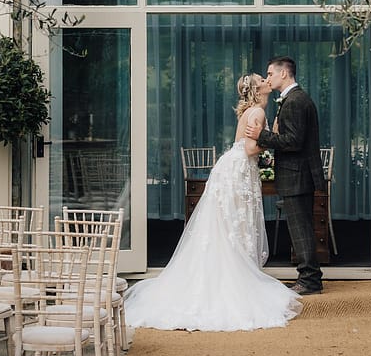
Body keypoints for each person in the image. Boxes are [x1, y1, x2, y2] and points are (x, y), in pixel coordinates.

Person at [124, 73, 302, 332]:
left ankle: (230, 276)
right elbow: (251, 149)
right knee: (236, 226)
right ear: (257, 89)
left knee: (228, 226)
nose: (267, 80)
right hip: (238, 170)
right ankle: (236, 281)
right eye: (262, 79)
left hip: (233, 168)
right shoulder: (258, 114)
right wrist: (272, 137)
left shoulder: (253, 111)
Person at [245, 56, 326, 295]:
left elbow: (293, 142)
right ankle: (309, 276)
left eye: (270, 73)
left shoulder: (295, 101)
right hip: (297, 175)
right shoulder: (293, 99)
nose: (267, 78)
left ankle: (310, 280)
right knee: (301, 228)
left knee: (301, 229)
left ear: (283, 74)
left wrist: (263, 135)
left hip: (297, 176)